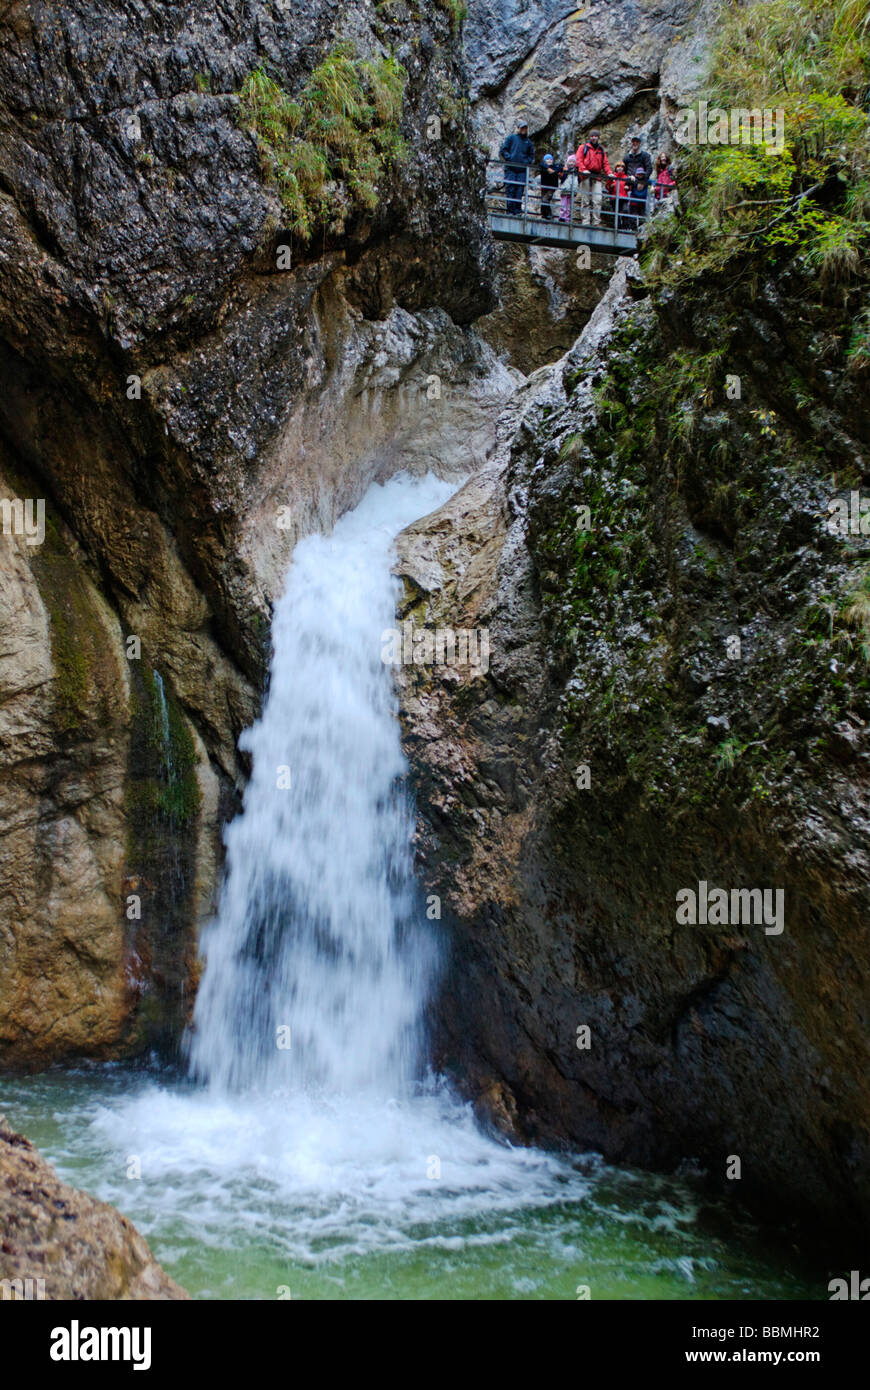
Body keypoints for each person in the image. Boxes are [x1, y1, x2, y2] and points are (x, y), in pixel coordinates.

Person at [575, 129, 613, 227]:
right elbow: (579, 160)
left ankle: (596, 222)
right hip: (586, 176)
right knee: (586, 200)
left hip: (597, 176)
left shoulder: (601, 150)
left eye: (595, 136)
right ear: (589, 137)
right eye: (592, 136)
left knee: (597, 200)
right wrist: (583, 170)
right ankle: (586, 221)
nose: (593, 138)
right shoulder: (583, 147)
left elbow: (605, 163)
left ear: (598, 137)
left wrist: (609, 173)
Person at [500, 119, 535, 215]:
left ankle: (517, 211)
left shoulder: (528, 142)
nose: (524, 129)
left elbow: (531, 156)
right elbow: (503, 150)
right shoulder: (512, 138)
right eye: (522, 127)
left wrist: (525, 162)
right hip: (511, 168)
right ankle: (510, 211)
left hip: (521, 170)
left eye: (525, 128)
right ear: (518, 128)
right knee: (510, 189)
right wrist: (509, 158)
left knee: (519, 190)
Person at [609, 160, 631, 229]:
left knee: (625, 211)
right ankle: (617, 226)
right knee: (616, 212)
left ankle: (625, 226)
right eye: (618, 166)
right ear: (615, 168)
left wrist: (628, 187)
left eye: (622, 167)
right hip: (614, 197)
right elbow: (608, 186)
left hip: (623, 197)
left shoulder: (626, 177)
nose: (620, 168)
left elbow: (630, 186)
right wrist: (610, 186)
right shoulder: (612, 177)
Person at [538, 153, 560, 219]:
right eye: (547, 159)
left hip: (552, 187)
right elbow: (541, 164)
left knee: (545, 199)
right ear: (545, 160)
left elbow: (559, 168)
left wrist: (553, 171)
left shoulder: (555, 167)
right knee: (543, 200)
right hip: (544, 187)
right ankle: (544, 215)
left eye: (550, 159)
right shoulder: (543, 166)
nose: (549, 160)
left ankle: (549, 214)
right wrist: (548, 169)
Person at [558, 155, 580, 221]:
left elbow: (579, 180)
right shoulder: (564, 170)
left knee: (570, 206)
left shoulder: (576, 172)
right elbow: (560, 176)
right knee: (563, 204)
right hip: (565, 190)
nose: (571, 163)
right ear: (567, 162)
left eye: (573, 162)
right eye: (570, 161)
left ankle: (567, 219)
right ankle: (562, 217)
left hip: (572, 191)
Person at [628, 165, 650, 230]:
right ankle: (633, 228)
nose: (640, 175)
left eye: (641, 174)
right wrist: (630, 177)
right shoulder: (634, 180)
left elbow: (653, 181)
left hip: (642, 202)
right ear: (636, 174)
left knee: (641, 216)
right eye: (639, 174)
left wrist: (652, 186)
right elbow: (626, 181)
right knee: (633, 216)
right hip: (634, 202)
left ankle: (641, 229)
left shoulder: (645, 181)